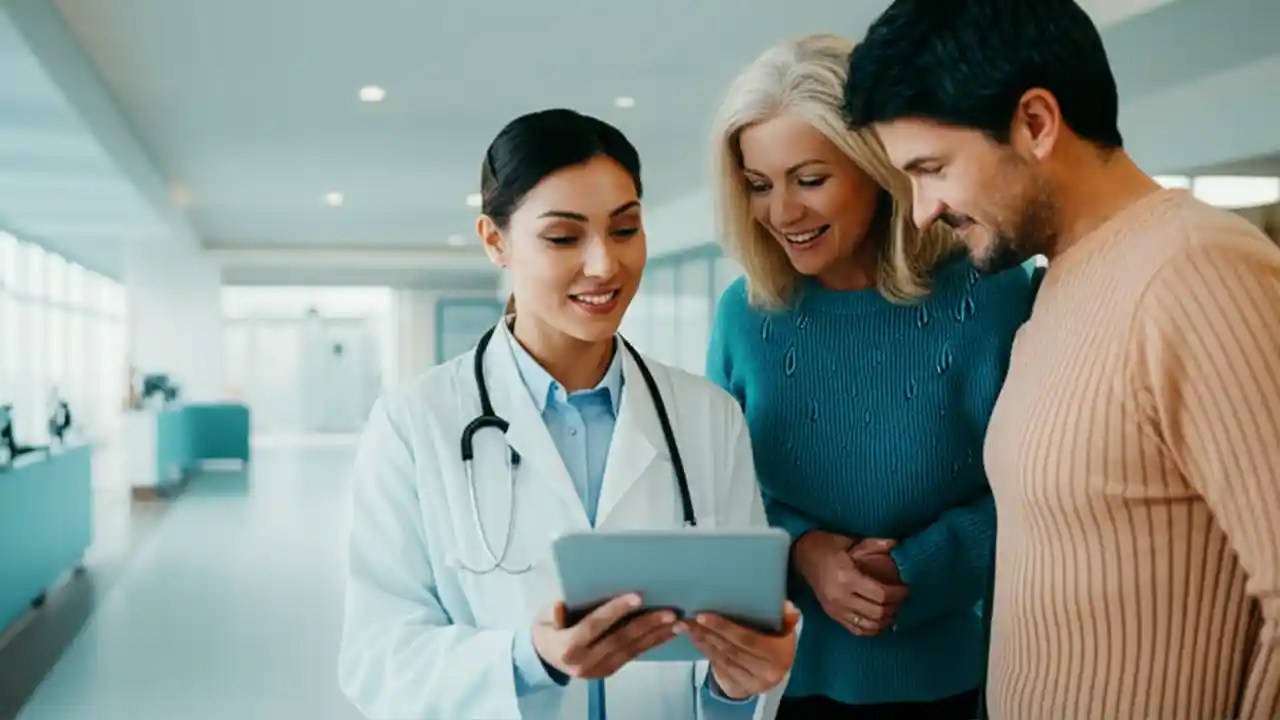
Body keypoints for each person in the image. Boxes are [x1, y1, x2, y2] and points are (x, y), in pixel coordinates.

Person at [844, 2, 1280, 719]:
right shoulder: (1056, 282)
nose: (921, 211)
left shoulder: (1198, 269)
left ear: (1037, 123)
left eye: (933, 168)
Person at [338, 108, 798, 720]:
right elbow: (378, 658)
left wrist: (740, 685)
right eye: (563, 237)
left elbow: (737, 659)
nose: (604, 264)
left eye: (625, 229)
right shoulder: (413, 423)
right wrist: (532, 659)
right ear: (495, 241)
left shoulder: (708, 418)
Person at [706, 34, 1033, 719]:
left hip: (955, 680)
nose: (782, 213)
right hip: (782, 686)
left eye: (810, 179)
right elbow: (721, 493)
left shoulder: (995, 296)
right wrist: (807, 552)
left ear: (876, 168)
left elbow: (1043, 484)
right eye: (760, 186)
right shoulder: (744, 314)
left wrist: (922, 566)